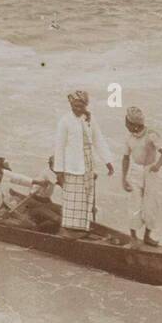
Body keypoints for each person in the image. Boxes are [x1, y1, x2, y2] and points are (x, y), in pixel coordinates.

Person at [52, 89, 115, 238]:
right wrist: (59, 171)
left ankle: (81, 228)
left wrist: (108, 161)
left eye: (81, 106)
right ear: (70, 104)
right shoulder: (65, 121)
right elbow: (59, 147)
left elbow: (98, 140)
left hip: (87, 162)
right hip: (72, 165)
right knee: (71, 198)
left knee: (85, 196)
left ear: (85, 105)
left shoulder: (90, 120)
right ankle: (67, 230)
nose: (77, 109)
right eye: (74, 105)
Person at [121, 106, 162, 247]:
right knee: (134, 203)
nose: (125, 124)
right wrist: (123, 179)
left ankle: (147, 236)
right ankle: (133, 237)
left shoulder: (151, 134)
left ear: (135, 124)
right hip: (135, 171)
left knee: (150, 204)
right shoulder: (128, 138)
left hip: (150, 171)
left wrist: (158, 165)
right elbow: (125, 158)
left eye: (127, 122)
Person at [0, 157, 41, 221]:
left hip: (7, 210)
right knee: (23, 225)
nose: (0, 176)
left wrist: (37, 182)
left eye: (1, 173)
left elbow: (19, 179)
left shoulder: (4, 173)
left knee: (30, 223)